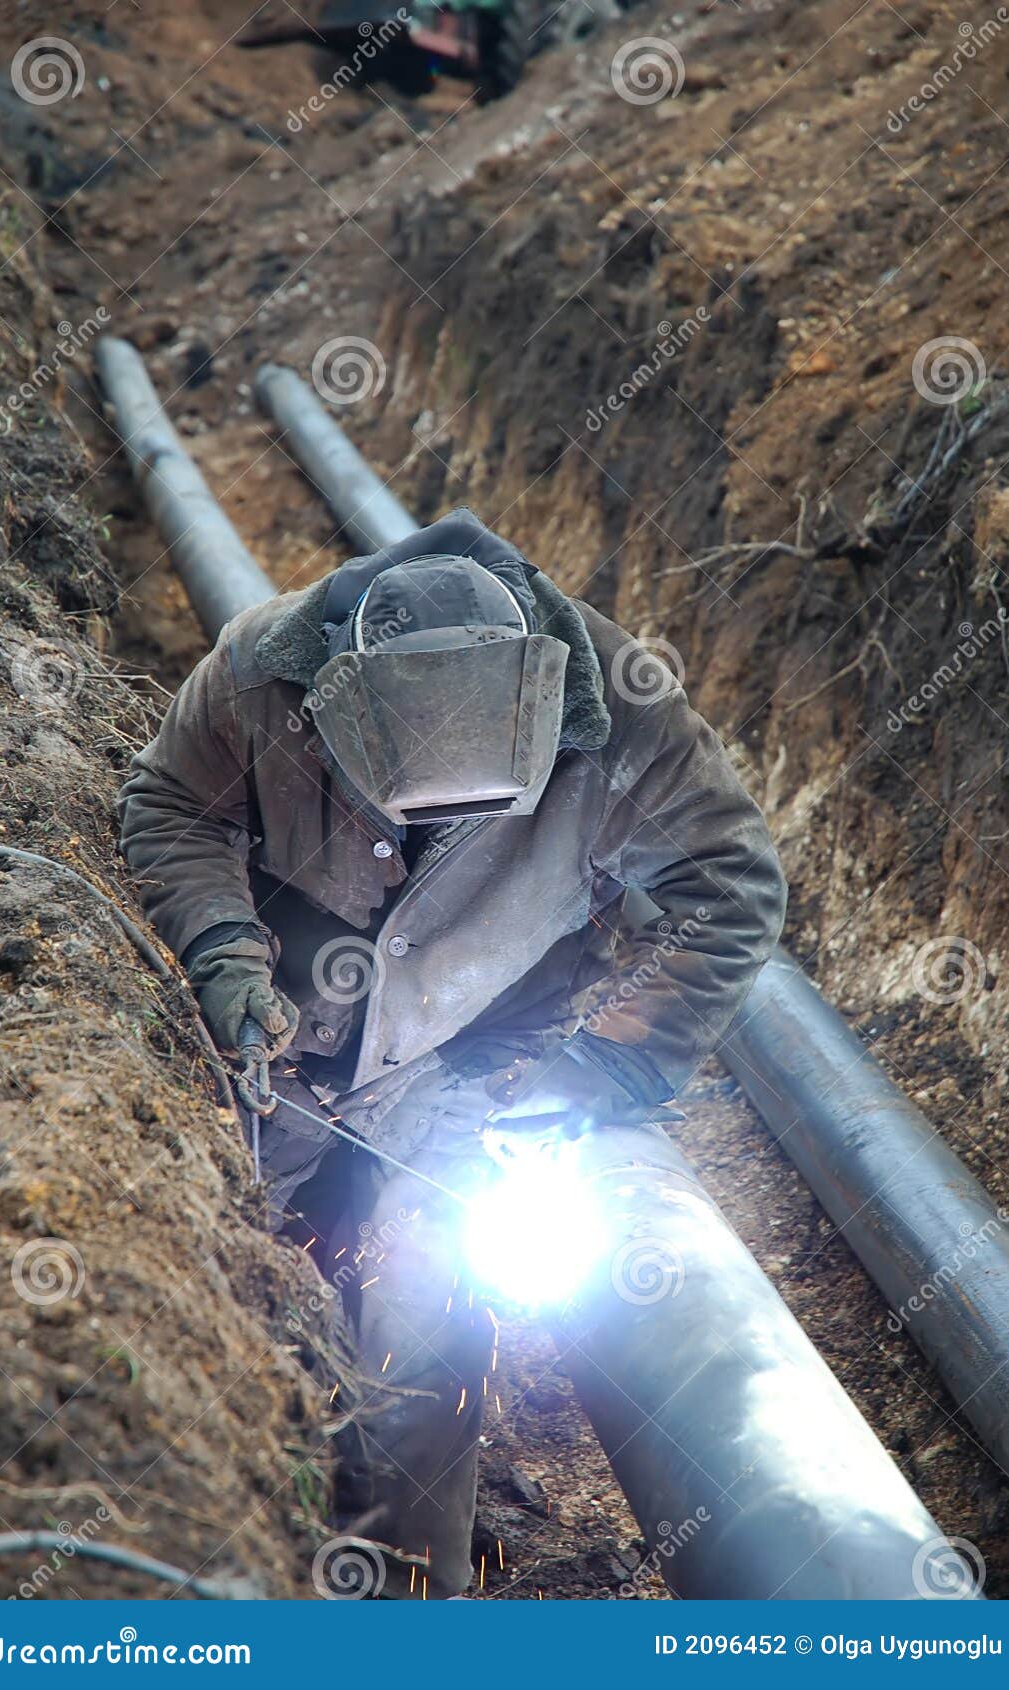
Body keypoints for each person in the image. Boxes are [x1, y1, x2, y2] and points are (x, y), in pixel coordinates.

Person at [118, 507, 786, 1597]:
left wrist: (607, 1064)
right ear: (341, 704)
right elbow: (169, 805)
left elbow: (729, 887)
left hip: (470, 1052)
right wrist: (225, 948)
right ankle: (227, 1557)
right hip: (279, 1036)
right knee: (226, 1279)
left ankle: (410, 1597)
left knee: (423, 1320)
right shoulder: (255, 673)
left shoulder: (620, 713)